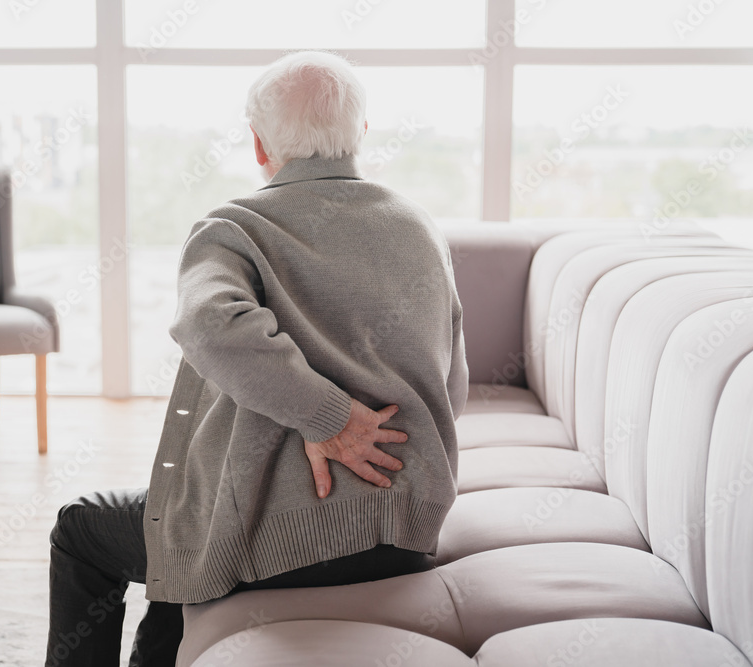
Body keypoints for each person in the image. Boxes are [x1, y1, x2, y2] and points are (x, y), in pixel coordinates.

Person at [44, 49, 468, 667]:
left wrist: (331, 417)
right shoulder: (420, 228)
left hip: (275, 542)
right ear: (362, 134)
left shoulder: (236, 228)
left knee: (81, 528)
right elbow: (450, 385)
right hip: (404, 536)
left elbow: (209, 323)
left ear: (259, 145)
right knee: (183, 514)